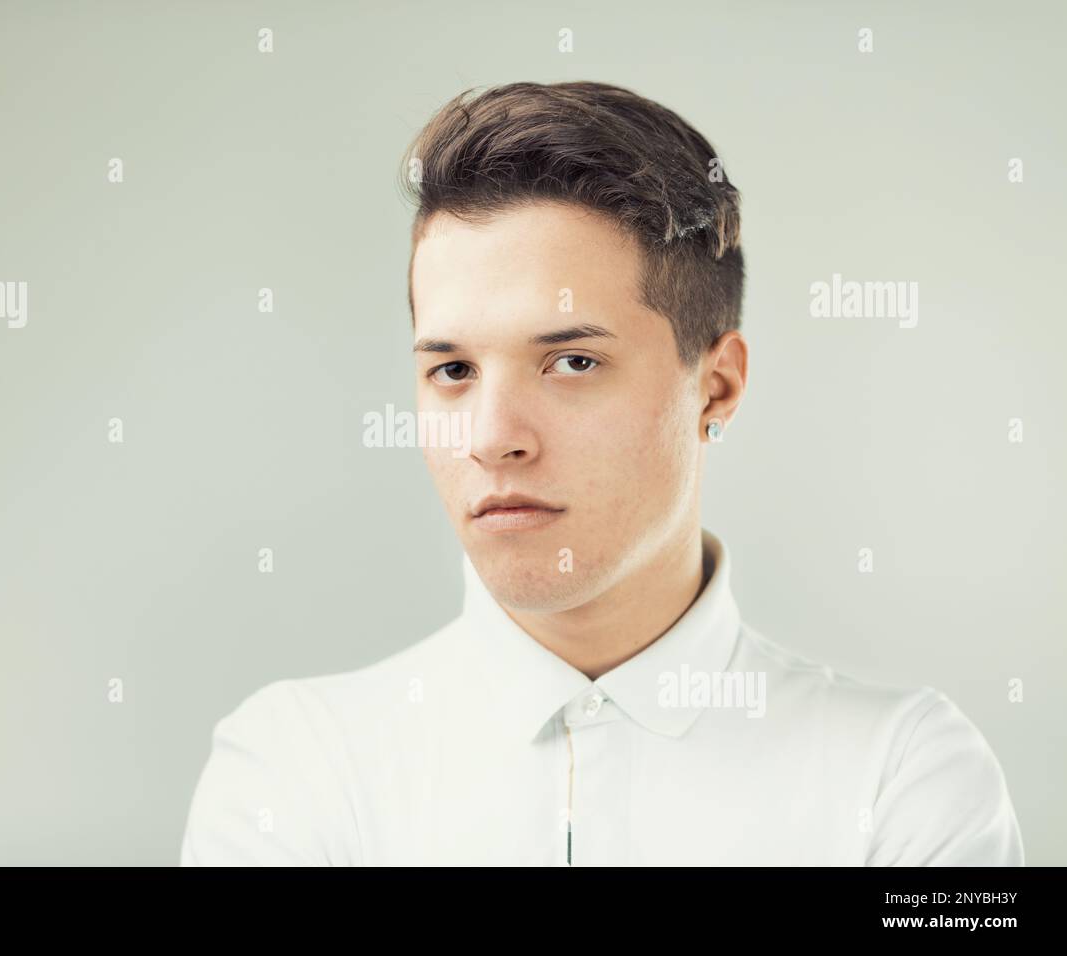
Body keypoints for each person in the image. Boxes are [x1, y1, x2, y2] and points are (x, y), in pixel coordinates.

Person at [179, 81, 1024, 866]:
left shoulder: (907, 781)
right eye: (453, 371)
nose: (493, 439)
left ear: (716, 385)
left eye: (573, 362)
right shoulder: (290, 775)